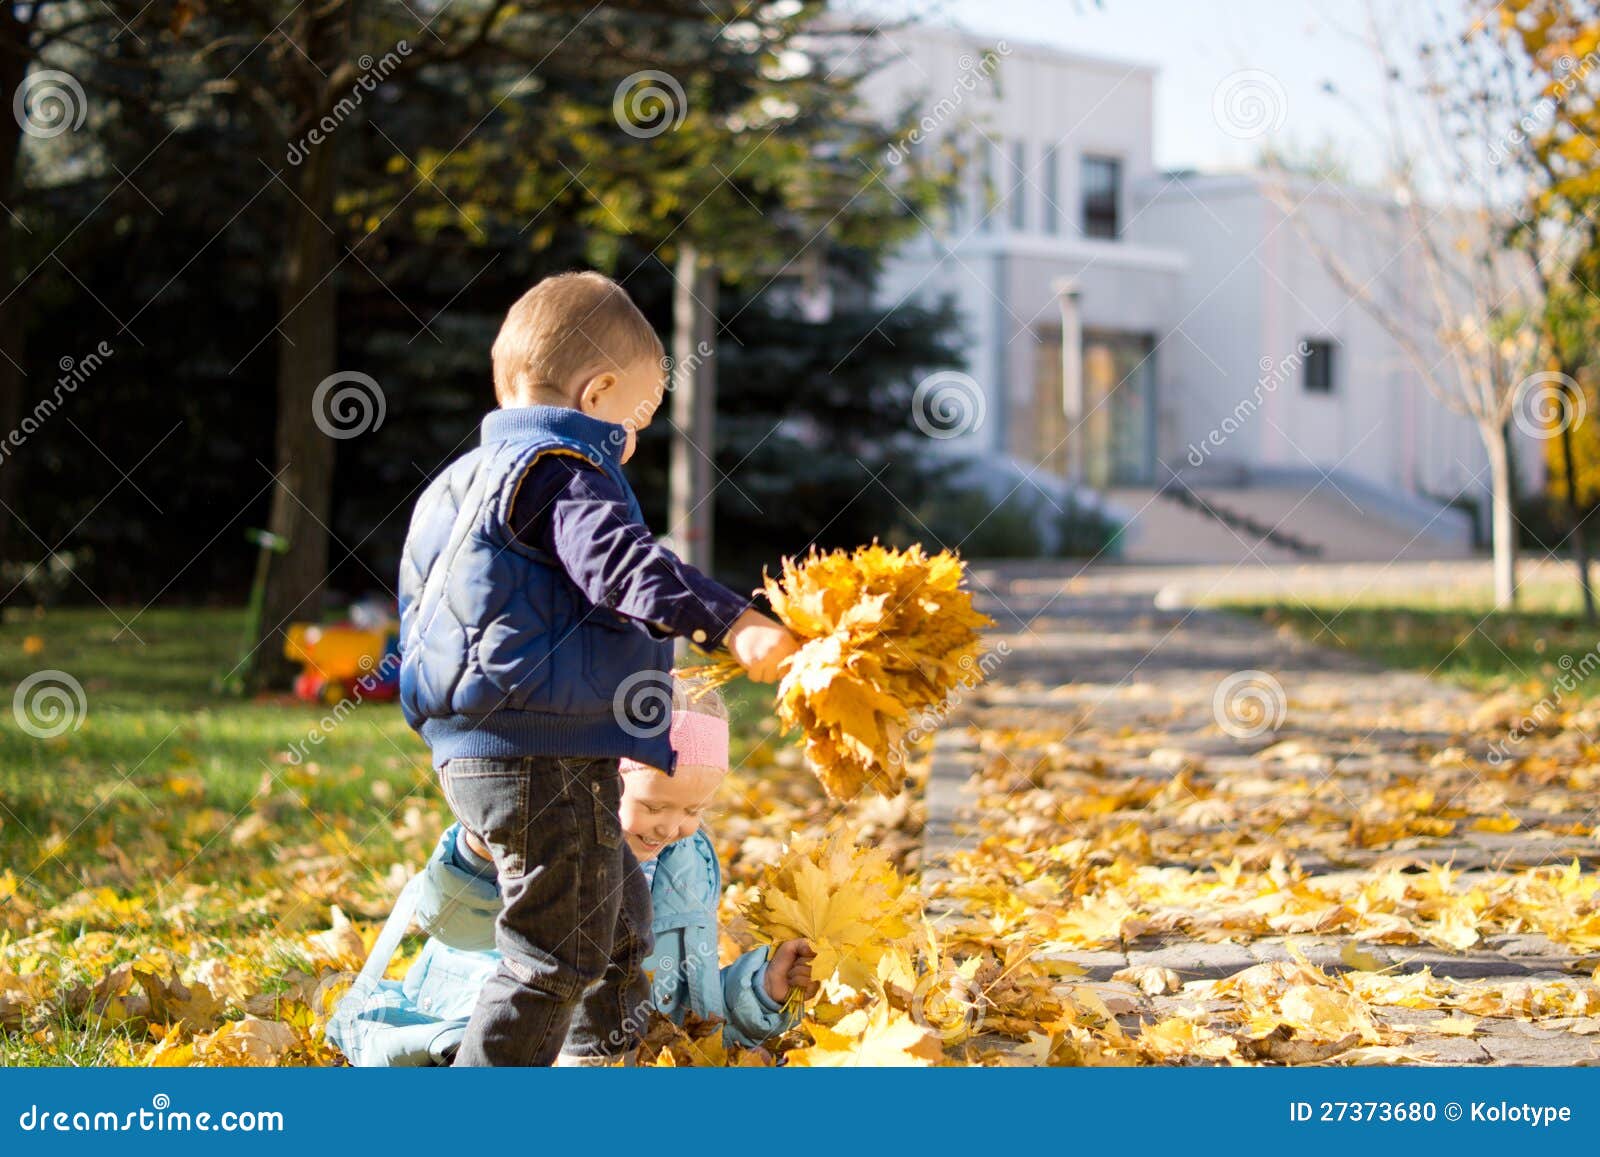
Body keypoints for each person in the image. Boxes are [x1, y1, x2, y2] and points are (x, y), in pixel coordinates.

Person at [396, 270, 799, 1066]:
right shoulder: (559, 470)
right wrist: (733, 621)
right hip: (536, 747)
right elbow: (620, 563)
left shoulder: (458, 482)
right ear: (599, 391)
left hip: (484, 745)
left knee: (618, 923)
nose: (633, 442)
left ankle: (602, 1065)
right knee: (557, 953)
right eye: (636, 420)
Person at [329, 679, 816, 1065]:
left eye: (694, 809)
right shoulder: (546, 831)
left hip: (615, 1051)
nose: (671, 826)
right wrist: (477, 853)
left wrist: (759, 991)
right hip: (492, 1035)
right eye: (652, 805)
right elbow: (453, 923)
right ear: (600, 778)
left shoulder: (688, 864)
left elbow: (687, 1007)